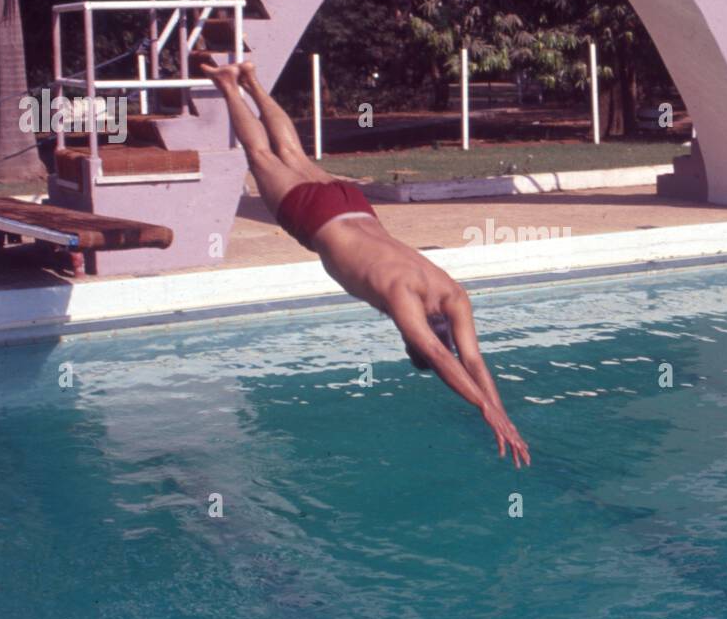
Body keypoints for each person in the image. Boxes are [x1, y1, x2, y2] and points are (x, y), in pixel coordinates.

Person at [202, 61, 530, 468]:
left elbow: (474, 359)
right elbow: (441, 354)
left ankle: (252, 78)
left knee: (291, 152)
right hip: (317, 218)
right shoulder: (401, 298)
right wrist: (485, 409)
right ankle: (229, 85)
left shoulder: (453, 293)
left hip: (354, 205)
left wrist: (500, 412)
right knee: (261, 155)